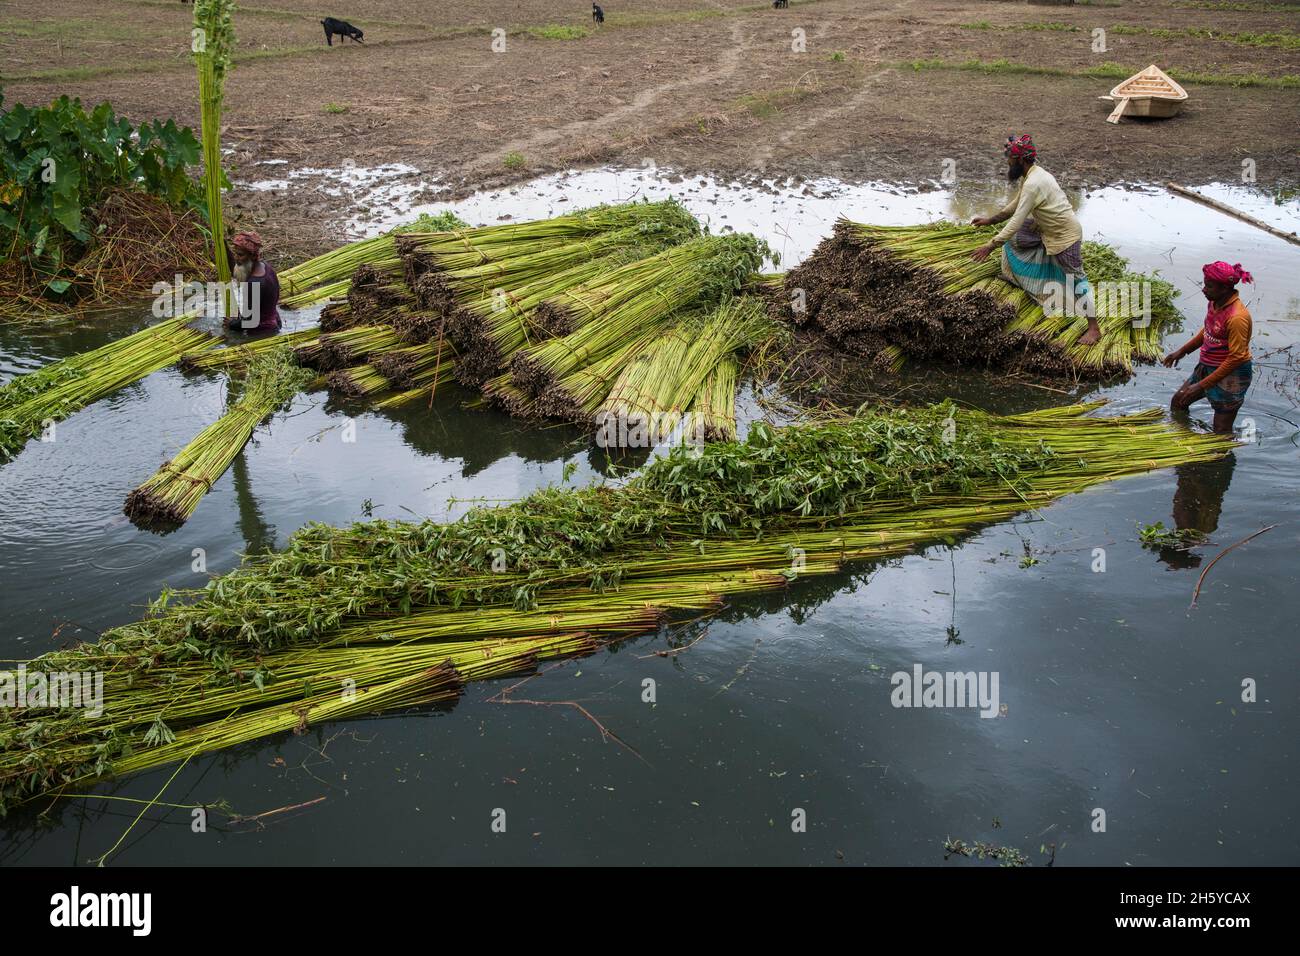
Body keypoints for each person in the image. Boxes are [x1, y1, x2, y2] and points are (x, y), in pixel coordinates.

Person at [970, 134, 1101, 346]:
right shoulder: (1034, 175)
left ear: (1020, 160)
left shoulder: (1034, 182)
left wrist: (990, 245)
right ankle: (1018, 276)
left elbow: (1015, 220)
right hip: (1046, 230)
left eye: (1010, 160)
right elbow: (1014, 206)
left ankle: (1094, 328)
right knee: (1015, 240)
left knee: (1076, 279)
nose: (1008, 163)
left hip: (1064, 237)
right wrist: (989, 220)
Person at [1162, 261, 1254, 434]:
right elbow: (1209, 329)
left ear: (1225, 289)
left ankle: (1220, 458)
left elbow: (1237, 357)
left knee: (1221, 429)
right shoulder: (1214, 303)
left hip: (1231, 376)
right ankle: (1186, 441)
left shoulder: (1237, 318)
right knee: (1178, 403)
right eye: (1205, 284)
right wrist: (1182, 351)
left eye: (1209, 286)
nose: (1204, 289)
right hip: (1207, 366)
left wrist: (1201, 385)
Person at [225, 230, 281, 334]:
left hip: (262, 332)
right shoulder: (265, 267)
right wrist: (224, 247)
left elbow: (251, 322)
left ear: (253, 256)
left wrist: (232, 324)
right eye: (235, 254)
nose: (237, 258)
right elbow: (236, 267)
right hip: (275, 322)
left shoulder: (254, 283)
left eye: (240, 255)